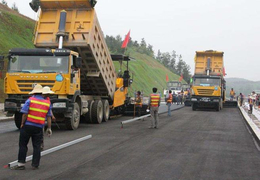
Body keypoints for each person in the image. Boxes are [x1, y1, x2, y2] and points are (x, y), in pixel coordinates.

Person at [14, 84, 52, 170]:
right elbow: (49, 117)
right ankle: (35, 164)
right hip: (39, 127)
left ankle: (21, 164)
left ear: (34, 92)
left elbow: (24, 114)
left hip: (28, 125)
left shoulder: (30, 100)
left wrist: (22, 123)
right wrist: (49, 128)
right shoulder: (47, 103)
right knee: (37, 146)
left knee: (23, 145)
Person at [40, 86, 55, 151]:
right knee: (40, 133)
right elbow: (48, 115)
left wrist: (52, 115)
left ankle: (39, 144)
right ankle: (40, 145)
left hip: (31, 121)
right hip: (40, 121)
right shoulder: (47, 101)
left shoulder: (33, 99)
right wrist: (49, 128)